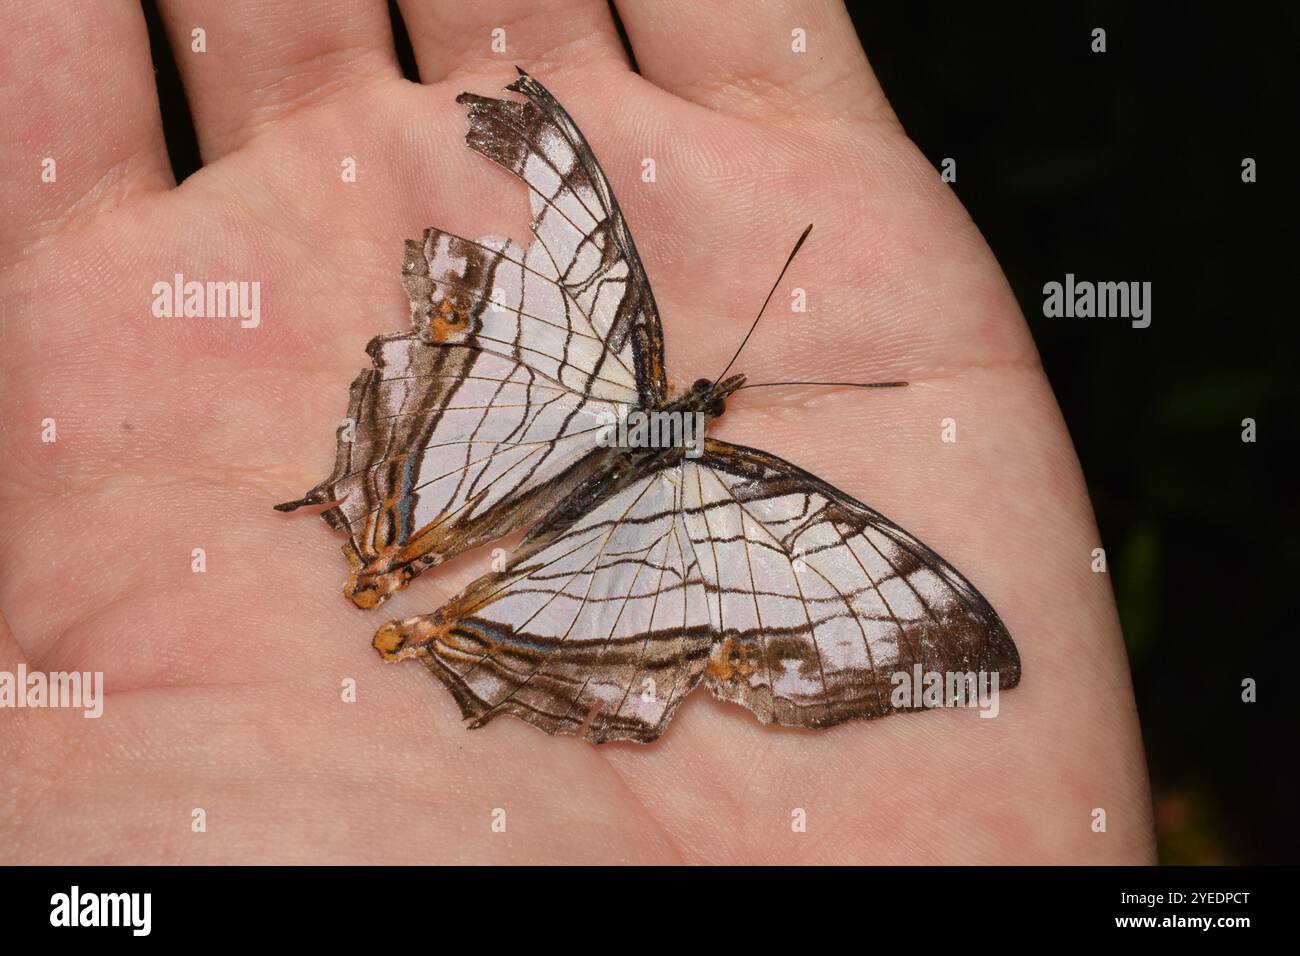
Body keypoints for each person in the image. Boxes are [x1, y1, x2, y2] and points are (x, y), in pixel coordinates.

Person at [0, 0, 1153, 864]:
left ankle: (420, 565)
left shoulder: (633, 349)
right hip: (573, 508)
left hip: (516, 458)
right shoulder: (764, 500)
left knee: (510, 451)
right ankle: (446, 603)